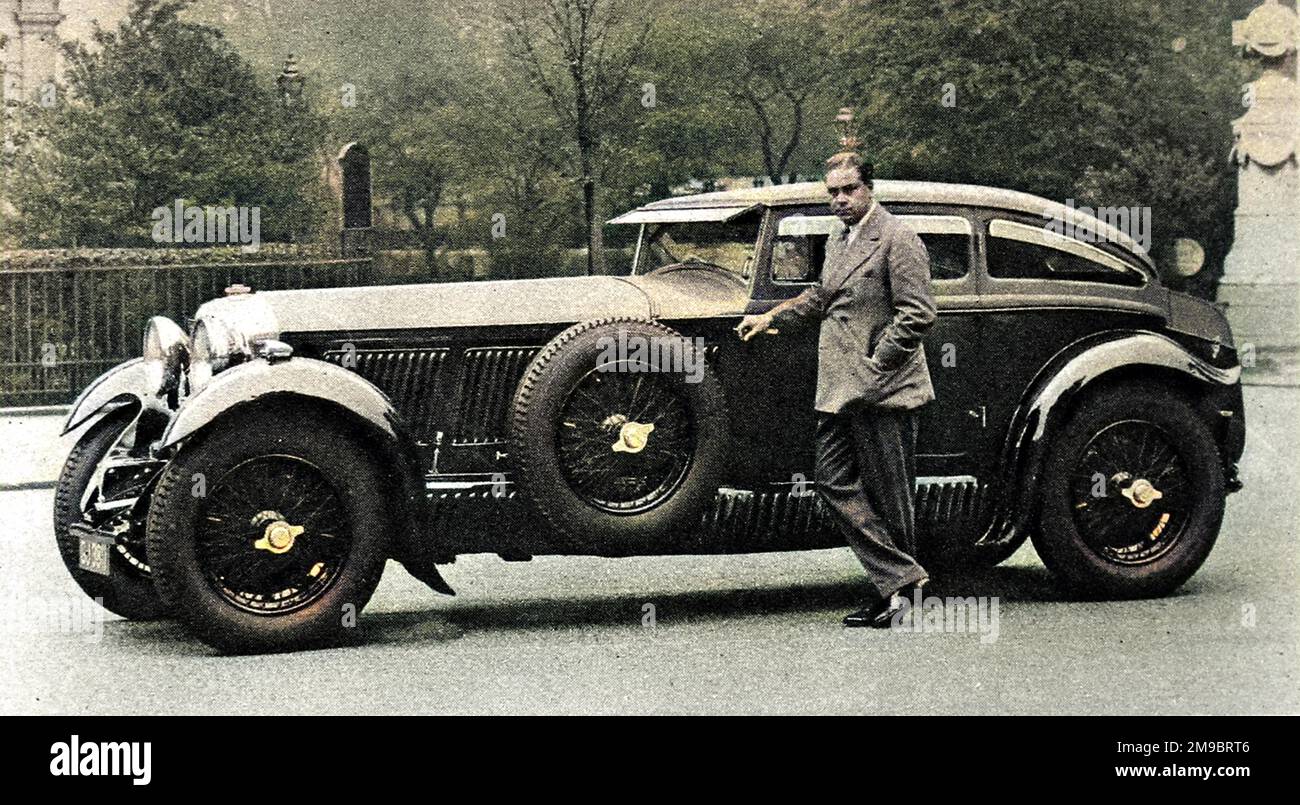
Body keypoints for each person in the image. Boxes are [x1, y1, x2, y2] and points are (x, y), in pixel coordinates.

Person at [735, 151, 938, 628]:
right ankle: (903, 580)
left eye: (850, 190)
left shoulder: (897, 238)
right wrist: (771, 317)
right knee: (831, 481)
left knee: (891, 495)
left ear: (870, 188)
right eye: (833, 192)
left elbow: (918, 314)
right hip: (840, 389)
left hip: (882, 388)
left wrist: (876, 364)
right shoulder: (839, 237)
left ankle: (897, 594)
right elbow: (823, 296)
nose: (841, 200)